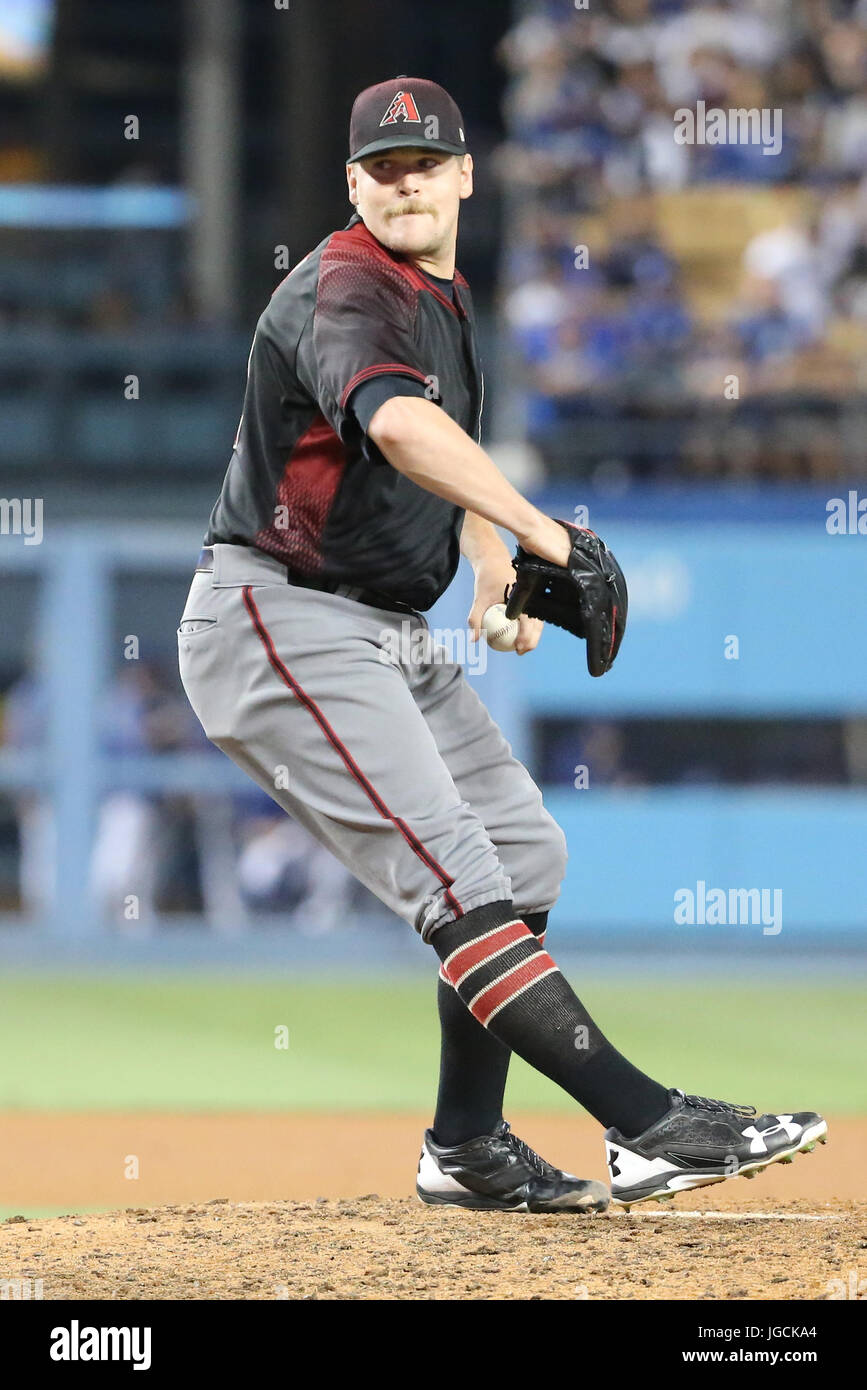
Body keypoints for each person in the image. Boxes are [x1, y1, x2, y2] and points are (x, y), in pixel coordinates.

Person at [177, 76, 825, 1212]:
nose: (408, 180)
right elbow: (396, 422)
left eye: (427, 161)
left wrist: (491, 565)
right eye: (384, 167)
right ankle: (649, 1122)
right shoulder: (347, 286)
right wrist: (546, 531)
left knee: (526, 855)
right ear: (353, 187)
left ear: (468, 173)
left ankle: (466, 1146)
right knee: (459, 877)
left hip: (379, 624)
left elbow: (444, 453)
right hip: (276, 615)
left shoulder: (441, 295)